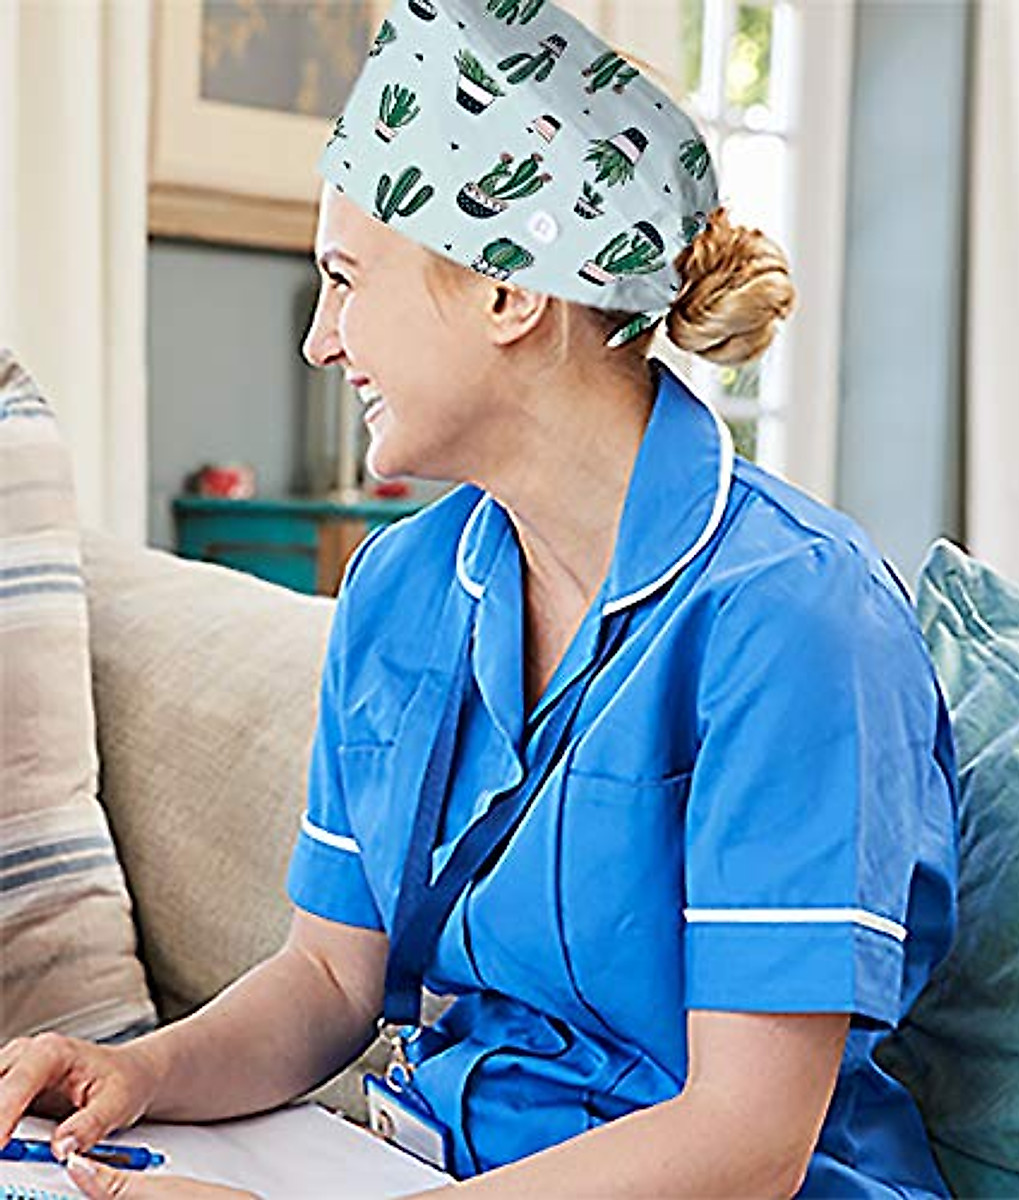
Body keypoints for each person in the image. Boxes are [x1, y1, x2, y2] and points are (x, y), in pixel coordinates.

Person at [0, 2, 960, 1196]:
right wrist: (134, 1071)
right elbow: (332, 981)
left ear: (510, 293)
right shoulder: (401, 587)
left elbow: (746, 1144)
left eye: (346, 281)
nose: (320, 341)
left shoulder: (797, 620)